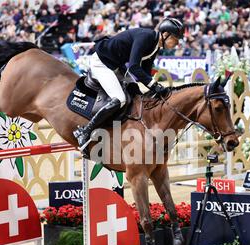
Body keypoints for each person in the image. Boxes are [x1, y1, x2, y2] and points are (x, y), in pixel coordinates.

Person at [73, 18, 184, 153]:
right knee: (120, 98)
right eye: (175, 39)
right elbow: (133, 67)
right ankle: (85, 131)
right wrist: (155, 86)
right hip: (102, 63)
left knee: (136, 92)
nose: (176, 43)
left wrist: (154, 88)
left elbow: (145, 72)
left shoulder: (155, 46)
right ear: (165, 34)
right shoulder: (146, 37)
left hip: (116, 66)